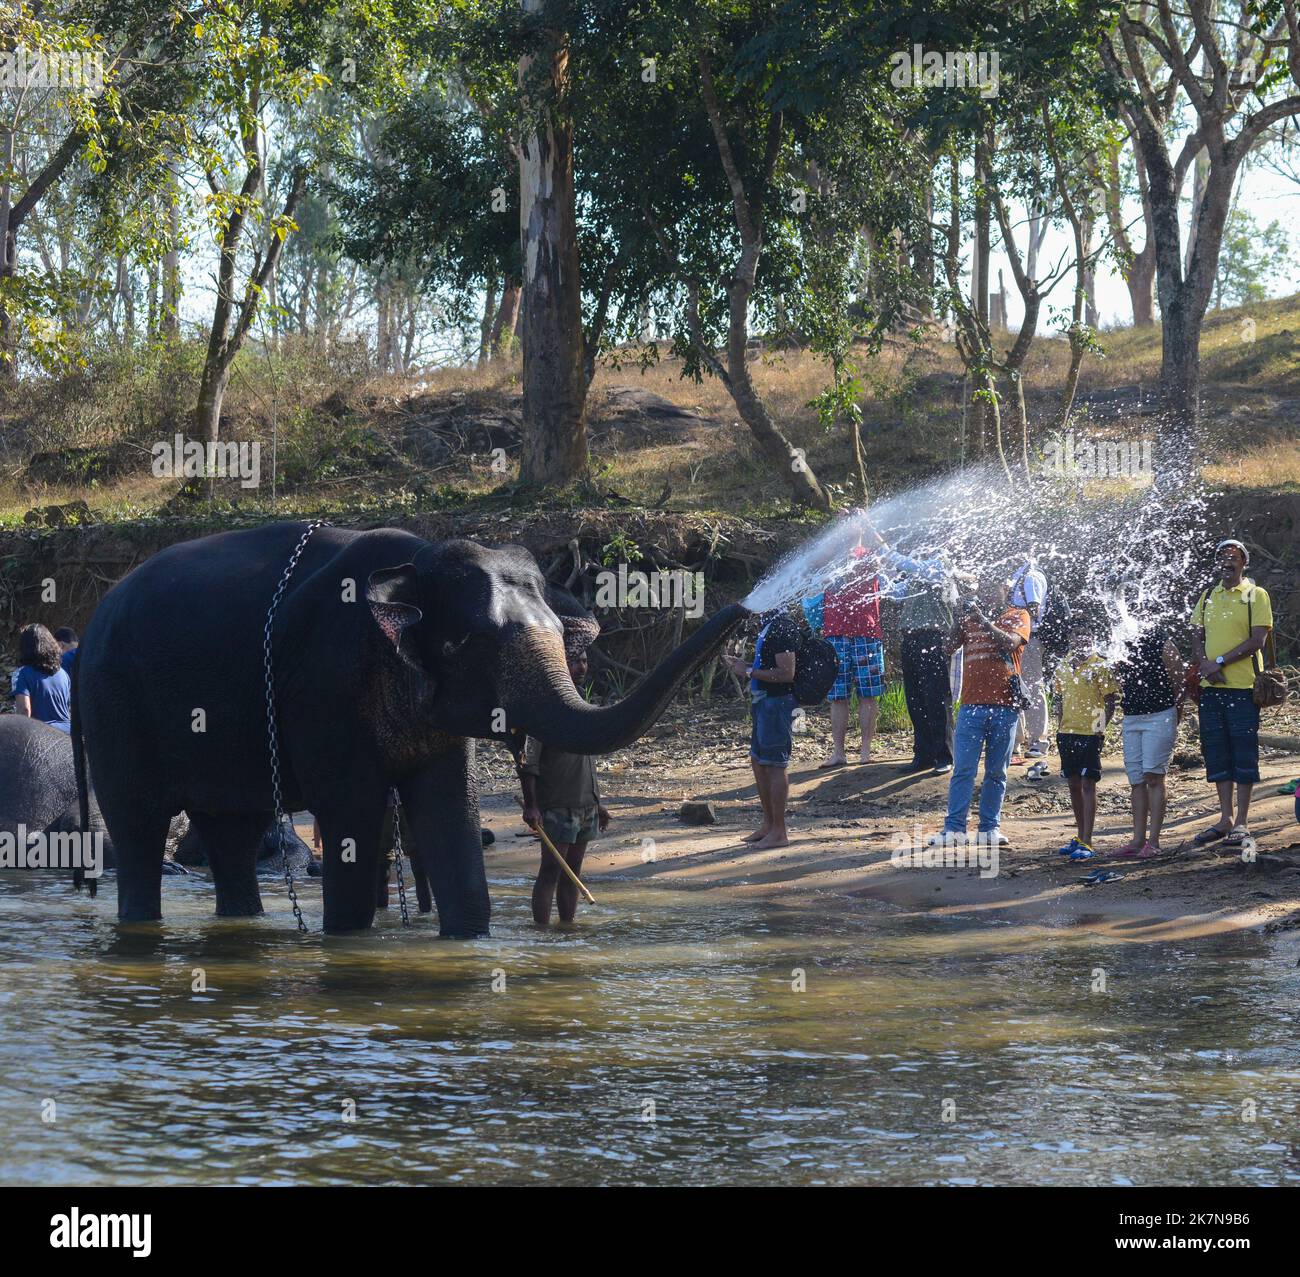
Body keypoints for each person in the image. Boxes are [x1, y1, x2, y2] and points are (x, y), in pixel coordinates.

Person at [519, 617, 611, 924]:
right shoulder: (544, 706)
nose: (581, 667)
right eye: (573, 662)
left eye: (584, 661)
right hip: (556, 805)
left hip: (585, 805)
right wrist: (532, 805)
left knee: (573, 873)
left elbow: (586, 758)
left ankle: (567, 929)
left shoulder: (580, 702)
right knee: (551, 871)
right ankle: (542, 936)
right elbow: (528, 762)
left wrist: (597, 802)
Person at [933, 575, 1031, 846]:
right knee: (963, 769)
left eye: (993, 588)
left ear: (1005, 590)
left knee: (997, 771)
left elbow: (1009, 643)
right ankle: (954, 830)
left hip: (1006, 707)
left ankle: (989, 829)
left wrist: (984, 621)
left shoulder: (1018, 615)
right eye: (984, 589)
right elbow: (947, 648)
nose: (988, 594)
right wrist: (957, 618)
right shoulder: (969, 618)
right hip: (970, 706)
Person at [1190, 539, 1272, 853]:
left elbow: (1257, 641)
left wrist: (1220, 662)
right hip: (1211, 688)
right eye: (1222, 556)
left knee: (1243, 752)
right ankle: (1224, 817)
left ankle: (1242, 821)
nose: (1227, 561)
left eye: (1233, 557)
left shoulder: (1256, 595)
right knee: (1217, 752)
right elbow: (1196, 634)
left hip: (1243, 687)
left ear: (1243, 562)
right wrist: (1203, 664)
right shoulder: (1208, 595)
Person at [868, 529, 955, 774]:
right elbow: (896, 592)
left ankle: (944, 755)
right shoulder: (919, 573)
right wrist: (880, 572)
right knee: (915, 698)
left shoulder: (940, 565)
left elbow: (909, 564)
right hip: (911, 639)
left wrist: (879, 543)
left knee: (936, 697)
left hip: (933, 638)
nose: (922, 545)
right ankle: (924, 754)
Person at [723, 608, 799, 849]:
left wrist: (747, 671)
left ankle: (780, 832)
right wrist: (746, 667)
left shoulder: (782, 627)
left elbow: (787, 673)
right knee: (758, 760)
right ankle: (768, 824)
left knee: (775, 765)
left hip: (776, 703)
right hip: (762, 702)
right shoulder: (770, 625)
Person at [1112, 602, 1184, 858]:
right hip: (1131, 718)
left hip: (1160, 715)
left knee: (1155, 777)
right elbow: (1118, 677)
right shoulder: (1122, 643)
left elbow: (1179, 680)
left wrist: (1176, 712)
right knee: (1137, 781)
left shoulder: (1163, 643)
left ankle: (1153, 842)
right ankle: (1136, 840)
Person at [818, 522, 886, 768]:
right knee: (838, 696)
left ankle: (865, 752)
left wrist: (869, 522)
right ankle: (838, 753)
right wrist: (835, 527)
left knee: (869, 693)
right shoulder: (830, 557)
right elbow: (815, 560)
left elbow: (887, 555)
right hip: (835, 634)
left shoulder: (870, 553)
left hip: (866, 633)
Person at [1050, 620, 1119, 861]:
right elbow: (1058, 698)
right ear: (1070, 639)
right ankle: (1079, 836)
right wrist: (1059, 725)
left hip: (1090, 734)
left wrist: (1100, 729)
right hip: (1066, 733)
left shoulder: (1100, 666)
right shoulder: (1062, 667)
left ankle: (1088, 840)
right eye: (1077, 635)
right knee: (1073, 784)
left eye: (1086, 636)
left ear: (1093, 640)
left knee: (1089, 785)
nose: (1081, 640)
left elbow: (1110, 700)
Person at [1007, 557, 1050, 765]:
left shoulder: (1031, 576)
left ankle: (1038, 742)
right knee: (1016, 687)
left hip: (1029, 639)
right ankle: (1016, 742)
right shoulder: (1018, 576)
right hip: (1017, 639)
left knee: (1032, 688)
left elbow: (1033, 608)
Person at [12, 623, 72, 734]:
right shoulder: (63, 673)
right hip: (68, 733)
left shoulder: (22, 673)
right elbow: (68, 708)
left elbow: (24, 710)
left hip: (41, 734)